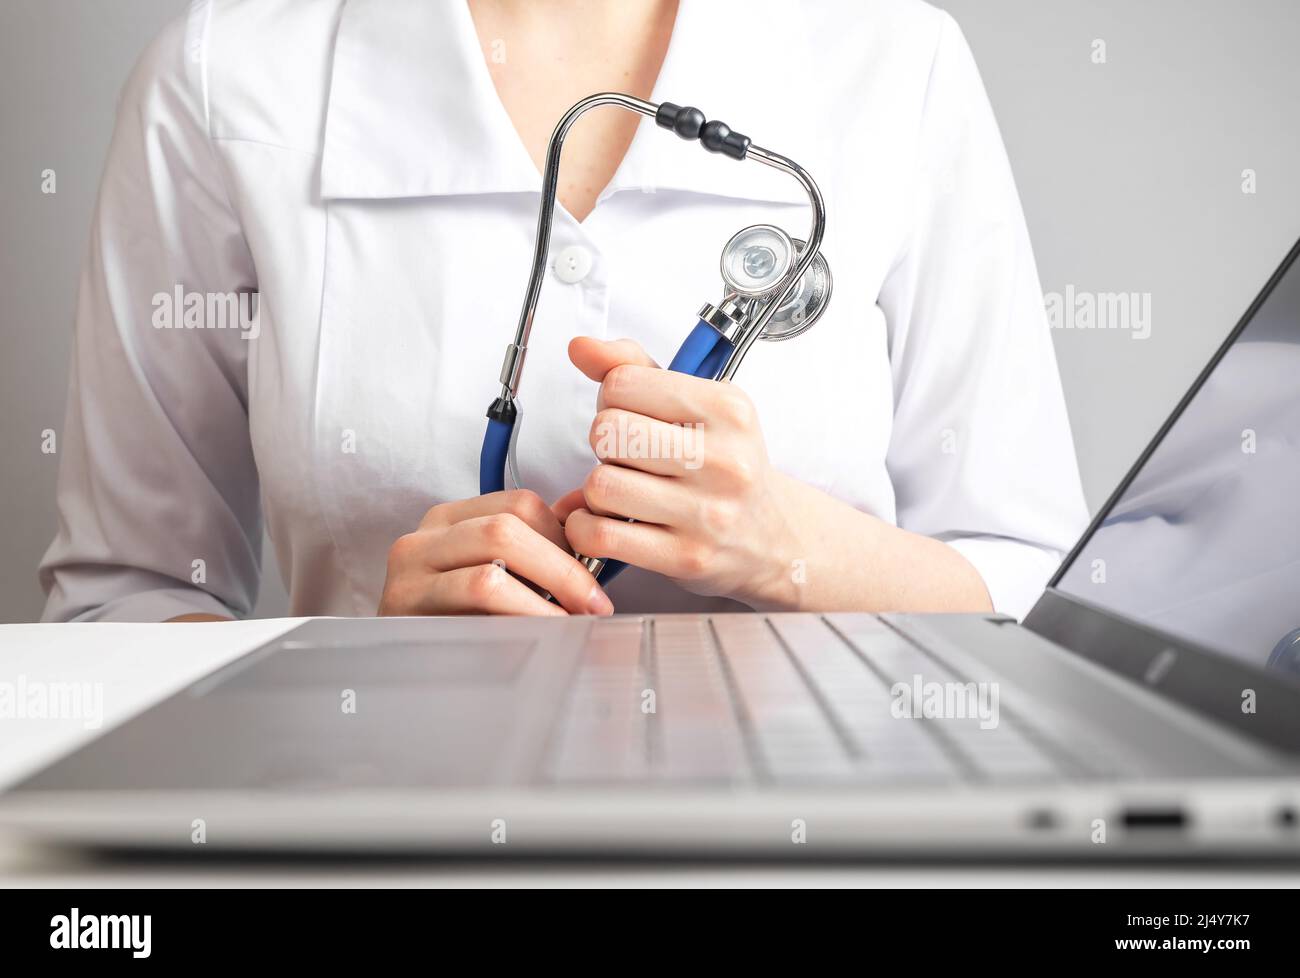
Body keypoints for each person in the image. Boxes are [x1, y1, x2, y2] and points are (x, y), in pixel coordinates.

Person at [40, 0, 1087, 623]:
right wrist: (359, 675)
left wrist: (784, 547)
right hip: (396, 847)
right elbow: (118, 608)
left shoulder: (893, 58)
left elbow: (1035, 589)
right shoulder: (227, 78)